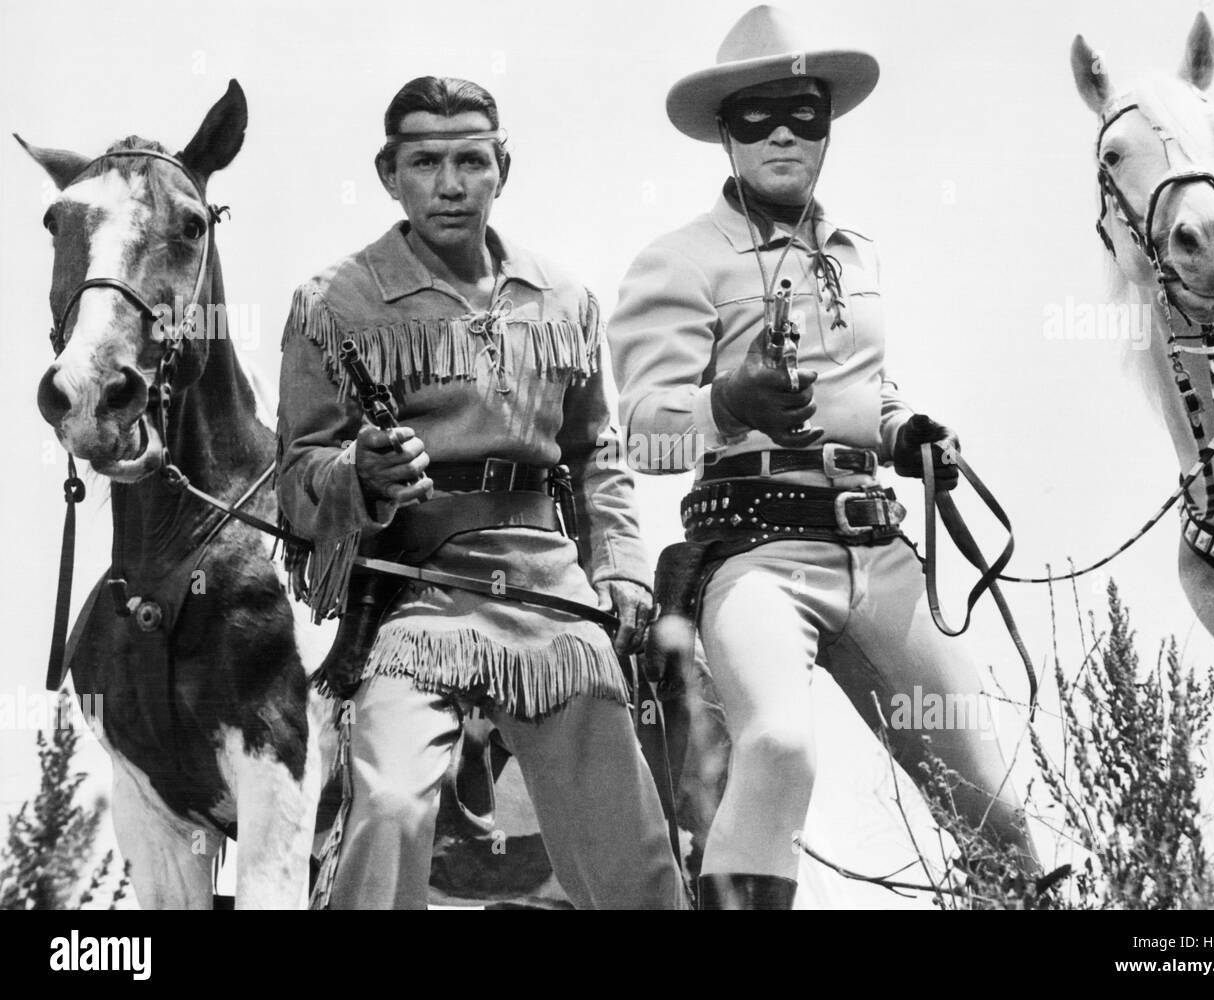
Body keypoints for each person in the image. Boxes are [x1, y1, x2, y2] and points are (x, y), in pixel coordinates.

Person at [608, 6, 1039, 909]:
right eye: (757, 114)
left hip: (878, 556)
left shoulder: (857, 254)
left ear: (828, 127)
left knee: (995, 803)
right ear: (725, 131)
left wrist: (906, 429)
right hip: (755, 556)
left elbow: (867, 393)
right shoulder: (678, 261)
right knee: (778, 748)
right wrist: (730, 401)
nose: (781, 134)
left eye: (803, 113)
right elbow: (643, 428)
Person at [276, 75, 685, 910]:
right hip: (413, 599)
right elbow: (296, 475)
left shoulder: (564, 300)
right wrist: (358, 475)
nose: (451, 185)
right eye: (425, 162)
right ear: (389, 173)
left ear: (504, 168)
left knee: (634, 853)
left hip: (552, 598)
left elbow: (594, 451)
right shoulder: (333, 302)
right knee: (387, 806)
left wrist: (625, 565)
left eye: (471, 160)